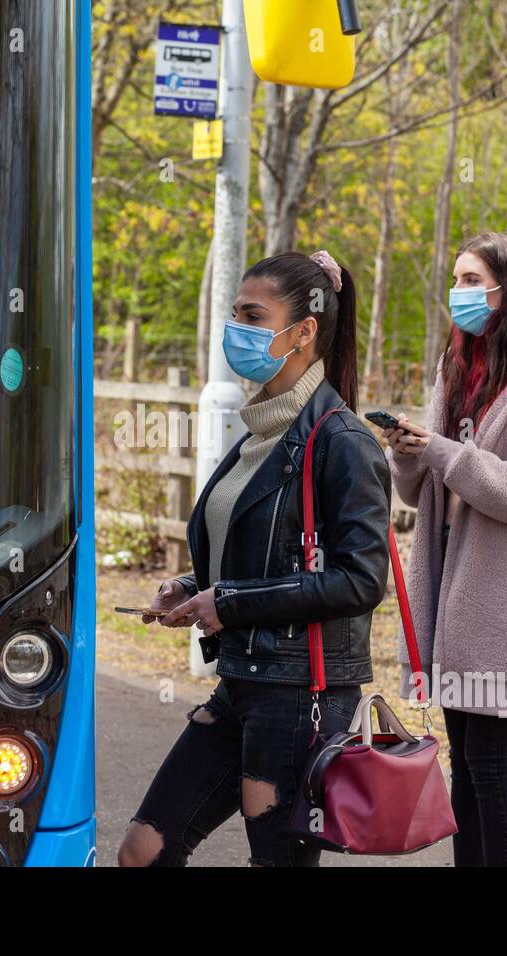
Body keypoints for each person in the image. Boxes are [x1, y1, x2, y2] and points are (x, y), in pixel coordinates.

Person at [117, 250, 392, 867]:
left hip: (299, 692)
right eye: (233, 314)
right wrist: (193, 587)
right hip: (241, 680)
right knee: (143, 850)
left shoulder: (343, 442)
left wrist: (230, 601)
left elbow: (360, 580)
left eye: (251, 315)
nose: (234, 330)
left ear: (303, 332)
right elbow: (265, 551)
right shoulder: (258, 434)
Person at [378, 232, 507, 867]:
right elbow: (423, 491)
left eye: (473, 282)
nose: (459, 294)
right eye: (457, 279)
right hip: (450, 600)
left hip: (503, 604)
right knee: (465, 766)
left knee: (490, 766)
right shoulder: (457, 368)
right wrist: (407, 452)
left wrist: (442, 452)